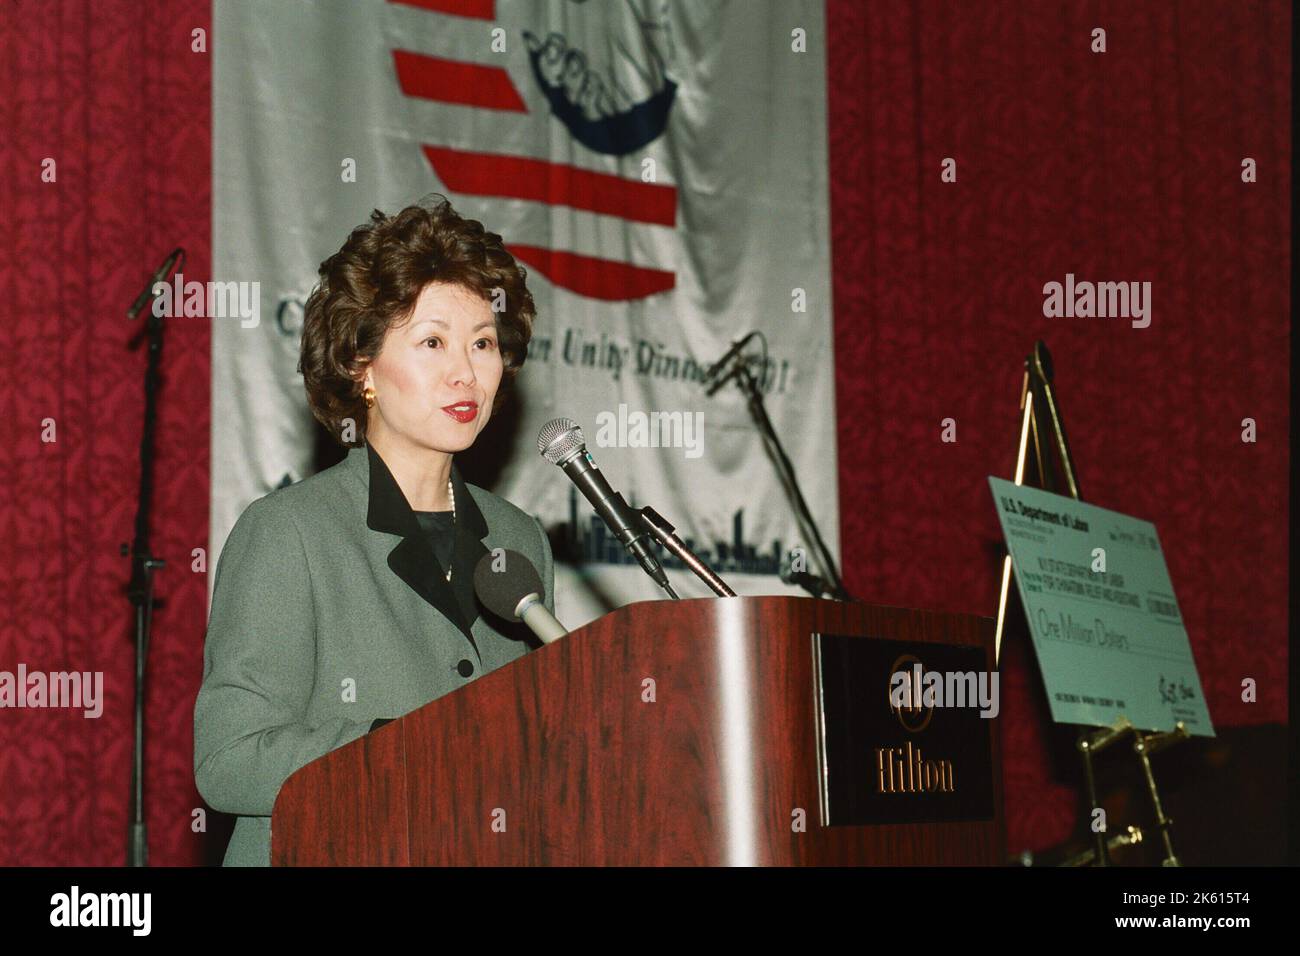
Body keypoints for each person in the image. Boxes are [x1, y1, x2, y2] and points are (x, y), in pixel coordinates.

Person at [193, 196, 554, 866]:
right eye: (433, 342)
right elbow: (229, 761)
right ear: (362, 368)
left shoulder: (517, 537)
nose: (465, 371)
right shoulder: (288, 533)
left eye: (483, 343)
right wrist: (418, 748)